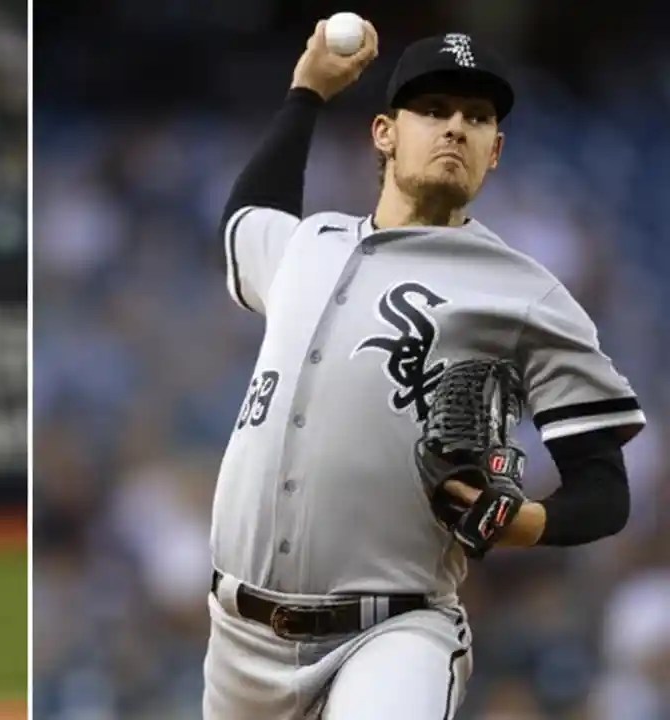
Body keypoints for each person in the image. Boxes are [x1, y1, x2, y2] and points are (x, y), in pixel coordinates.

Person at [206, 20, 645, 719]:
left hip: (395, 630)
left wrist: (524, 522)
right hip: (235, 637)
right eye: (433, 110)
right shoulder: (311, 242)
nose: (455, 128)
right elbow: (247, 218)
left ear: (494, 151)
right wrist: (307, 92)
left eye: (476, 118)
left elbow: (603, 485)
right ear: (384, 133)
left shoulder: (524, 291)